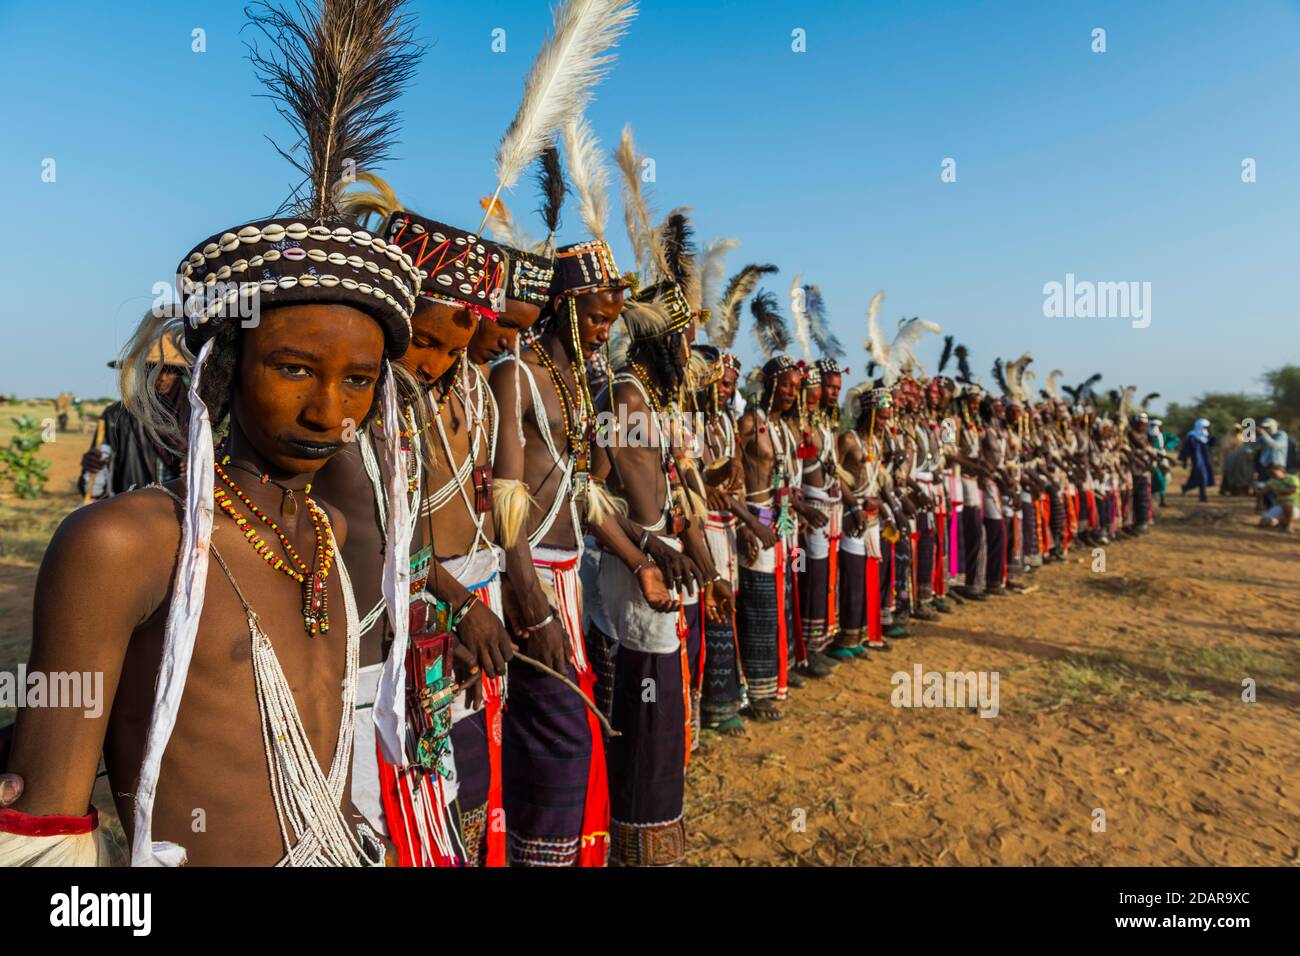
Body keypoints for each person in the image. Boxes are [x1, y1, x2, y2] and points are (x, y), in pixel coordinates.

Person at [0, 0, 425, 867]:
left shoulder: (333, 535)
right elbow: (44, 834)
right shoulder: (125, 544)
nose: (330, 414)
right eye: (295, 368)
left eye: (358, 381)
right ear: (221, 369)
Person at [78, 324, 189, 499]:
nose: (161, 377)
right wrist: (92, 468)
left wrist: (197, 467)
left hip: (183, 513)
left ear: (180, 374)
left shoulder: (199, 417)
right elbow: (93, 489)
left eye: (169, 370)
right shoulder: (116, 416)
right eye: (153, 368)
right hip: (132, 513)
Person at [1179, 418, 1216, 500]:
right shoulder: (1192, 436)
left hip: (1206, 460)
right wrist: (1184, 460)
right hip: (1197, 460)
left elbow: (1211, 445)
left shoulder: (1207, 436)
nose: (1206, 429)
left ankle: (1186, 487)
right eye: (1205, 427)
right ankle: (1203, 495)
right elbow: (1186, 450)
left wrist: (1212, 436)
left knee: (1196, 477)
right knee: (1203, 476)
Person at [1259, 463, 1298, 532]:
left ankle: (1287, 526)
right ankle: (1279, 521)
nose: (1273, 474)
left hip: (1295, 507)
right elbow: (1262, 492)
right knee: (1263, 522)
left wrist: (1276, 489)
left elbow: (1292, 490)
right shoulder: (1272, 481)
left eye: (1274, 472)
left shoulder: (1292, 478)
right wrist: (1259, 489)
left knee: (1287, 505)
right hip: (1279, 506)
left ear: (1281, 470)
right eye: (1271, 473)